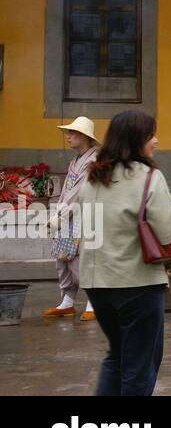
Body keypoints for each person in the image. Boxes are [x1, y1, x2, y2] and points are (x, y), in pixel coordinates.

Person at [79, 111, 171, 396]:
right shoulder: (149, 177)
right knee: (139, 365)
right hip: (138, 284)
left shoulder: (93, 178)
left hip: (96, 285)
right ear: (136, 140)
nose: (155, 141)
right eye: (150, 136)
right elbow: (167, 232)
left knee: (117, 355)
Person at [43, 116, 99, 322]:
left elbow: (79, 193)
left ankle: (93, 302)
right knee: (63, 258)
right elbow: (67, 191)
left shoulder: (92, 161)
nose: (68, 136)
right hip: (68, 215)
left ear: (84, 136)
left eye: (73, 133)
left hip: (83, 216)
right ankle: (67, 301)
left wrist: (60, 216)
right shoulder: (75, 161)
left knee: (80, 260)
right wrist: (57, 214)